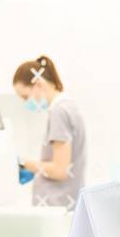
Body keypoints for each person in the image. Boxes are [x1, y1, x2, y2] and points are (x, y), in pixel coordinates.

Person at [12, 55, 86, 210]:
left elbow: (60, 170)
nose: (27, 103)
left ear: (38, 84)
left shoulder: (59, 112)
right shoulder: (68, 106)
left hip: (57, 207)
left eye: (26, 97)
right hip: (64, 204)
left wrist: (23, 164)